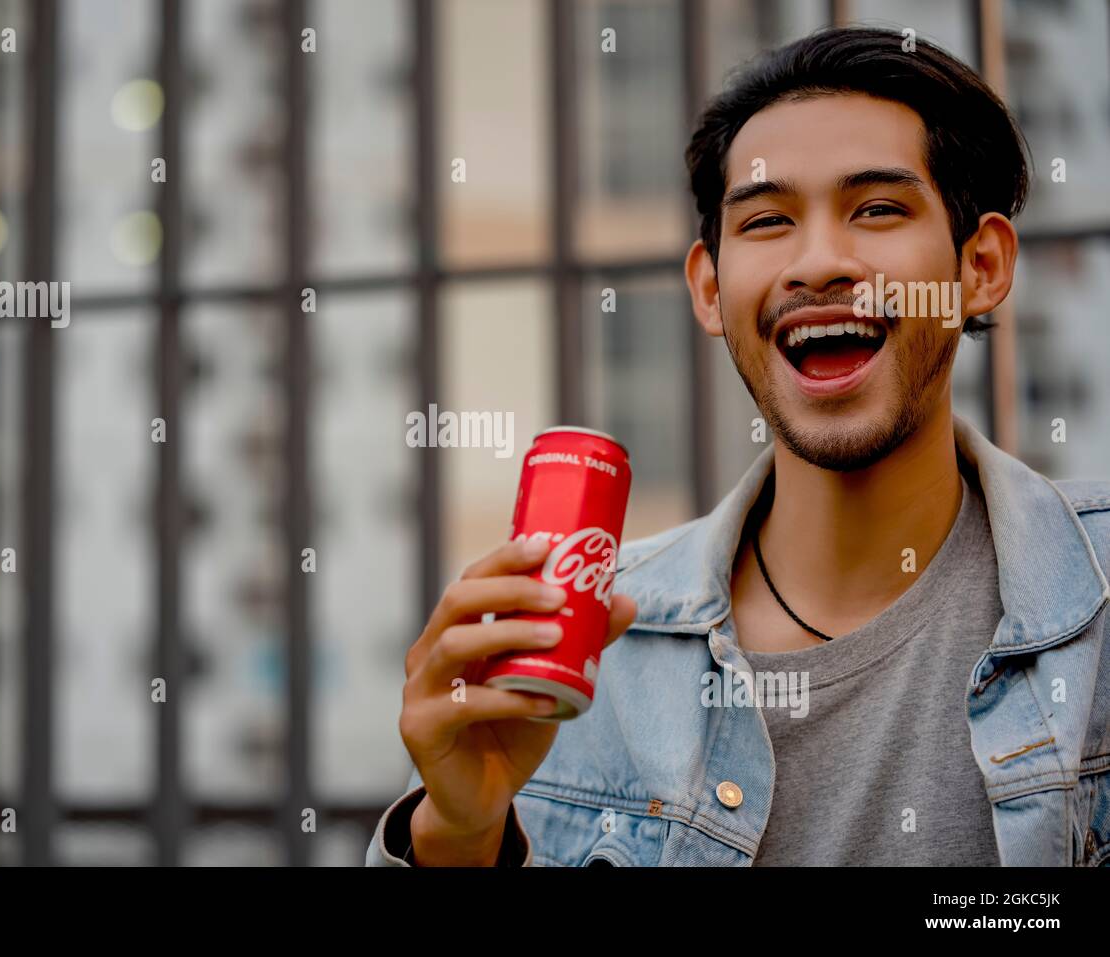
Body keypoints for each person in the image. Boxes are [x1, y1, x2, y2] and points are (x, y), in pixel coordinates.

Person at [366, 26, 1110, 867]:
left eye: (877, 209)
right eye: (766, 220)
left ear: (978, 266)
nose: (819, 261)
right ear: (711, 288)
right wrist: (459, 838)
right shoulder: (585, 657)